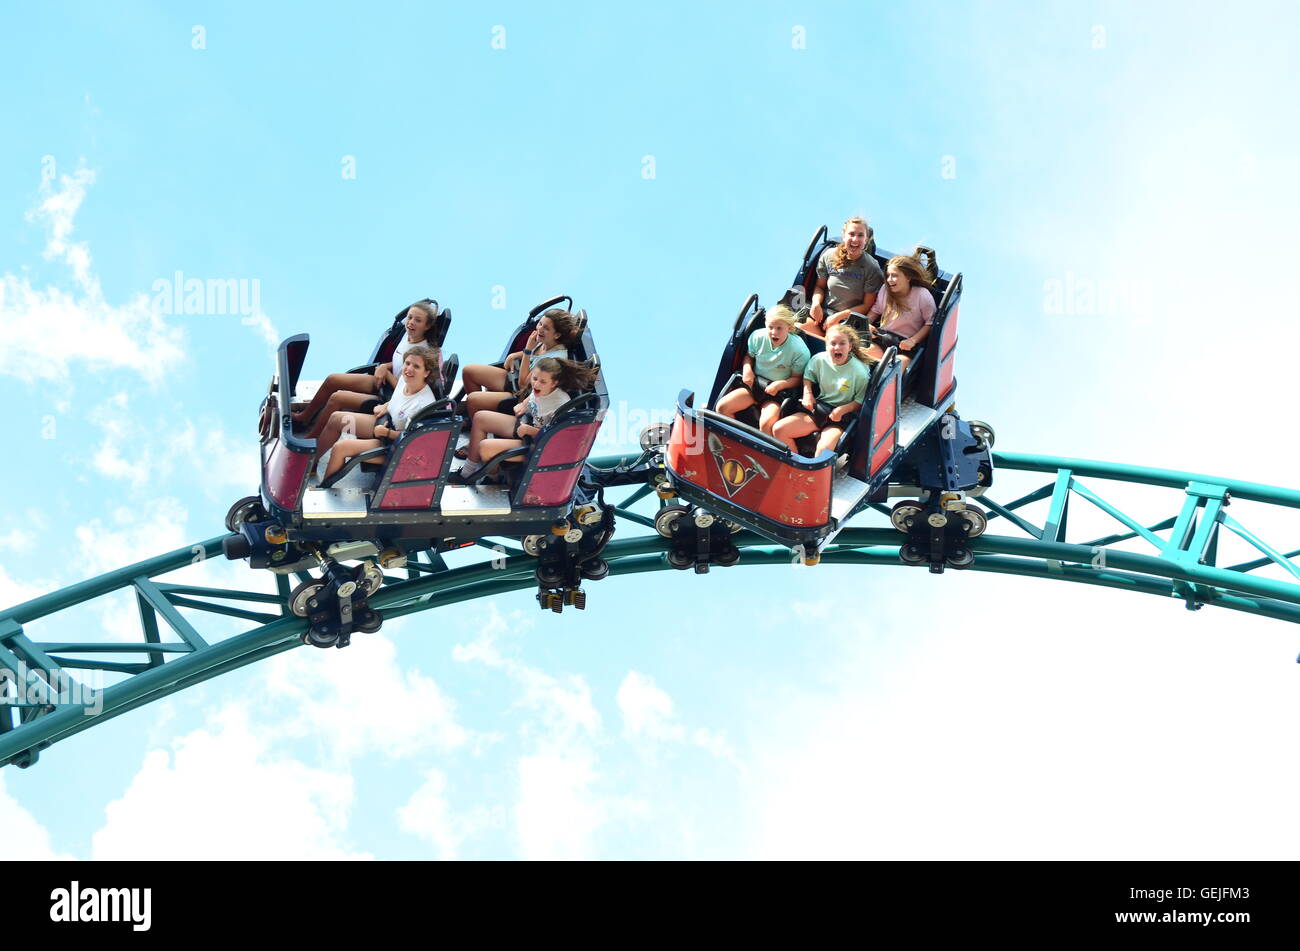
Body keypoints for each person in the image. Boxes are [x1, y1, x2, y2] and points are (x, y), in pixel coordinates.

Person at [292, 302, 439, 437]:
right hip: (383, 382)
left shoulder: (420, 352)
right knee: (333, 380)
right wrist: (385, 366)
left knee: (337, 398)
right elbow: (400, 362)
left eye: (418, 320)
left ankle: (312, 439)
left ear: (427, 326)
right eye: (410, 317)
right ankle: (304, 417)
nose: (411, 322)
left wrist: (386, 373)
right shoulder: (408, 336)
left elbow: (405, 389)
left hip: (391, 396)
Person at [457, 357, 597, 480]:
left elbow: (558, 437)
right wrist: (523, 405)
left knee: (485, 447)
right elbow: (532, 398)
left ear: (554, 383)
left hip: (537, 445)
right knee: (480, 417)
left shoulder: (561, 403)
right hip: (525, 428)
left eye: (542, 381)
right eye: (534, 378)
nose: (536, 384)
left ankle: (493, 478)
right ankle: (467, 472)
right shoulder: (540, 389)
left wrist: (530, 431)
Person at [314, 345, 439, 481]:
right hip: (383, 425)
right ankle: (311, 463)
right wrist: (387, 405)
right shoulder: (406, 379)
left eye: (416, 366)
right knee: (336, 419)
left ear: (426, 372)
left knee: (340, 448)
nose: (409, 369)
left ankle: (325, 487)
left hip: (396, 448)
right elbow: (399, 399)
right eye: (407, 363)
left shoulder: (422, 404)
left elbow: (415, 440)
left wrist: (387, 434)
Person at [460, 308, 580, 419]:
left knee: (473, 399)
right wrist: (516, 355)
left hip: (521, 395)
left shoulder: (553, 360)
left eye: (546, 328)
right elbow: (536, 354)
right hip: (513, 379)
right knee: (468, 371)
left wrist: (527, 350)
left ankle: (478, 422)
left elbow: (523, 384)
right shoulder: (547, 342)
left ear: (557, 335)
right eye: (540, 324)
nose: (540, 329)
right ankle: (476, 414)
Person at [772, 325, 872, 456]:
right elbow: (808, 377)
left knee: (822, 449)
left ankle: (813, 474)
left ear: (850, 346)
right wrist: (807, 394)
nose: (837, 347)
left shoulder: (860, 372)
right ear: (826, 345)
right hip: (818, 410)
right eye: (833, 343)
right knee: (779, 429)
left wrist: (842, 410)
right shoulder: (819, 359)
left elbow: (859, 401)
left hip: (839, 419)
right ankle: (794, 466)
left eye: (842, 343)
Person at [715, 304, 810, 435]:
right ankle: (733, 441)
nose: (774, 332)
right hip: (754, 385)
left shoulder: (799, 350)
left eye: (779, 328)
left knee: (766, 424)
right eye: (770, 327)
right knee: (723, 407)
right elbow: (749, 357)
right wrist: (747, 369)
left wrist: (780, 384)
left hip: (776, 393)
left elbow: (797, 379)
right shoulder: (757, 337)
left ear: (789, 327)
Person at [804, 217, 883, 340]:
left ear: (866, 239)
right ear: (844, 236)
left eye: (860, 235)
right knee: (800, 327)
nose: (855, 239)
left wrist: (840, 316)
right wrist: (816, 304)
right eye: (851, 234)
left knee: (833, 337)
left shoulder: (872, 267)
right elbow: (819, 287)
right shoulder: (829, 255)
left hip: (846, 322)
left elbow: (867, 305)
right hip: (823, 314)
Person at [865, 254, 937, 368]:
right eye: (888, 275)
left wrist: (913, 340)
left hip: (905, 347)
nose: (889, 280)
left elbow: (930, 323)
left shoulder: (922, 295)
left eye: (894, 276)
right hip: (882, 338)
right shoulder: (885, 289)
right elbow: (876, 309)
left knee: (893, 367)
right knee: (864, 355)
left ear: (908, 277)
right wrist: (867, 324)